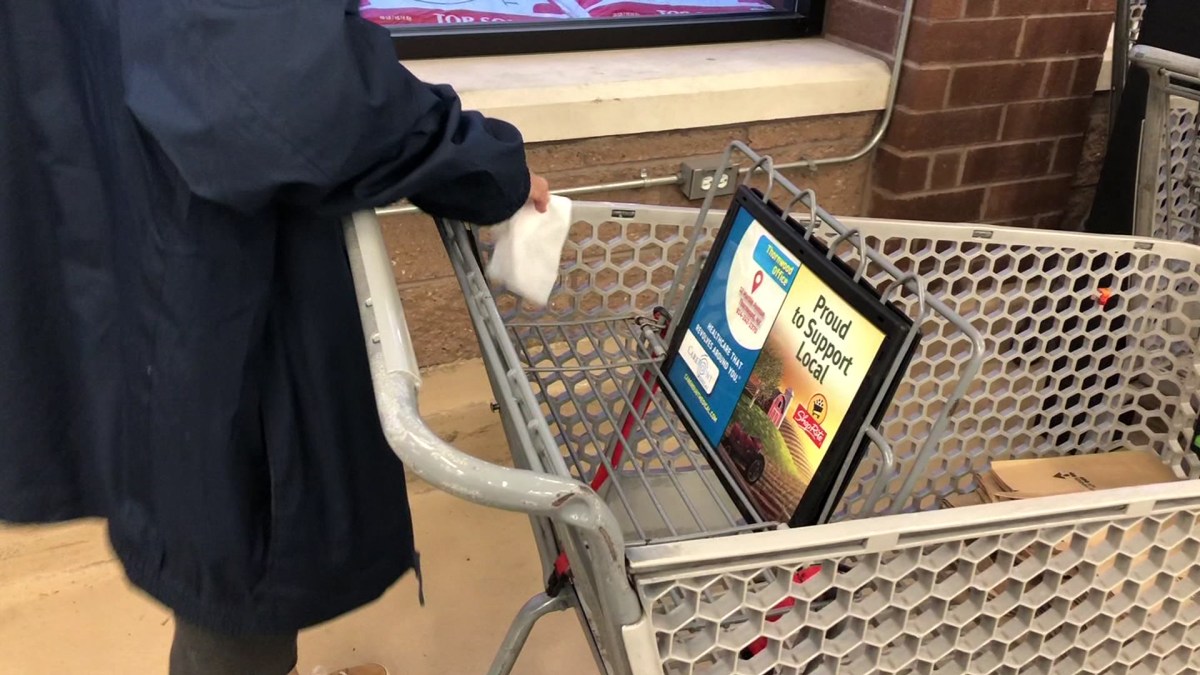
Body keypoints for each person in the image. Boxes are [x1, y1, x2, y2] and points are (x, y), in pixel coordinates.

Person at [0, 2, 549, 674]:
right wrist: (484, 167)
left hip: (101, 185)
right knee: (231, 530)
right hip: (204, 261)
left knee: (189, 496)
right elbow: (275, 86)